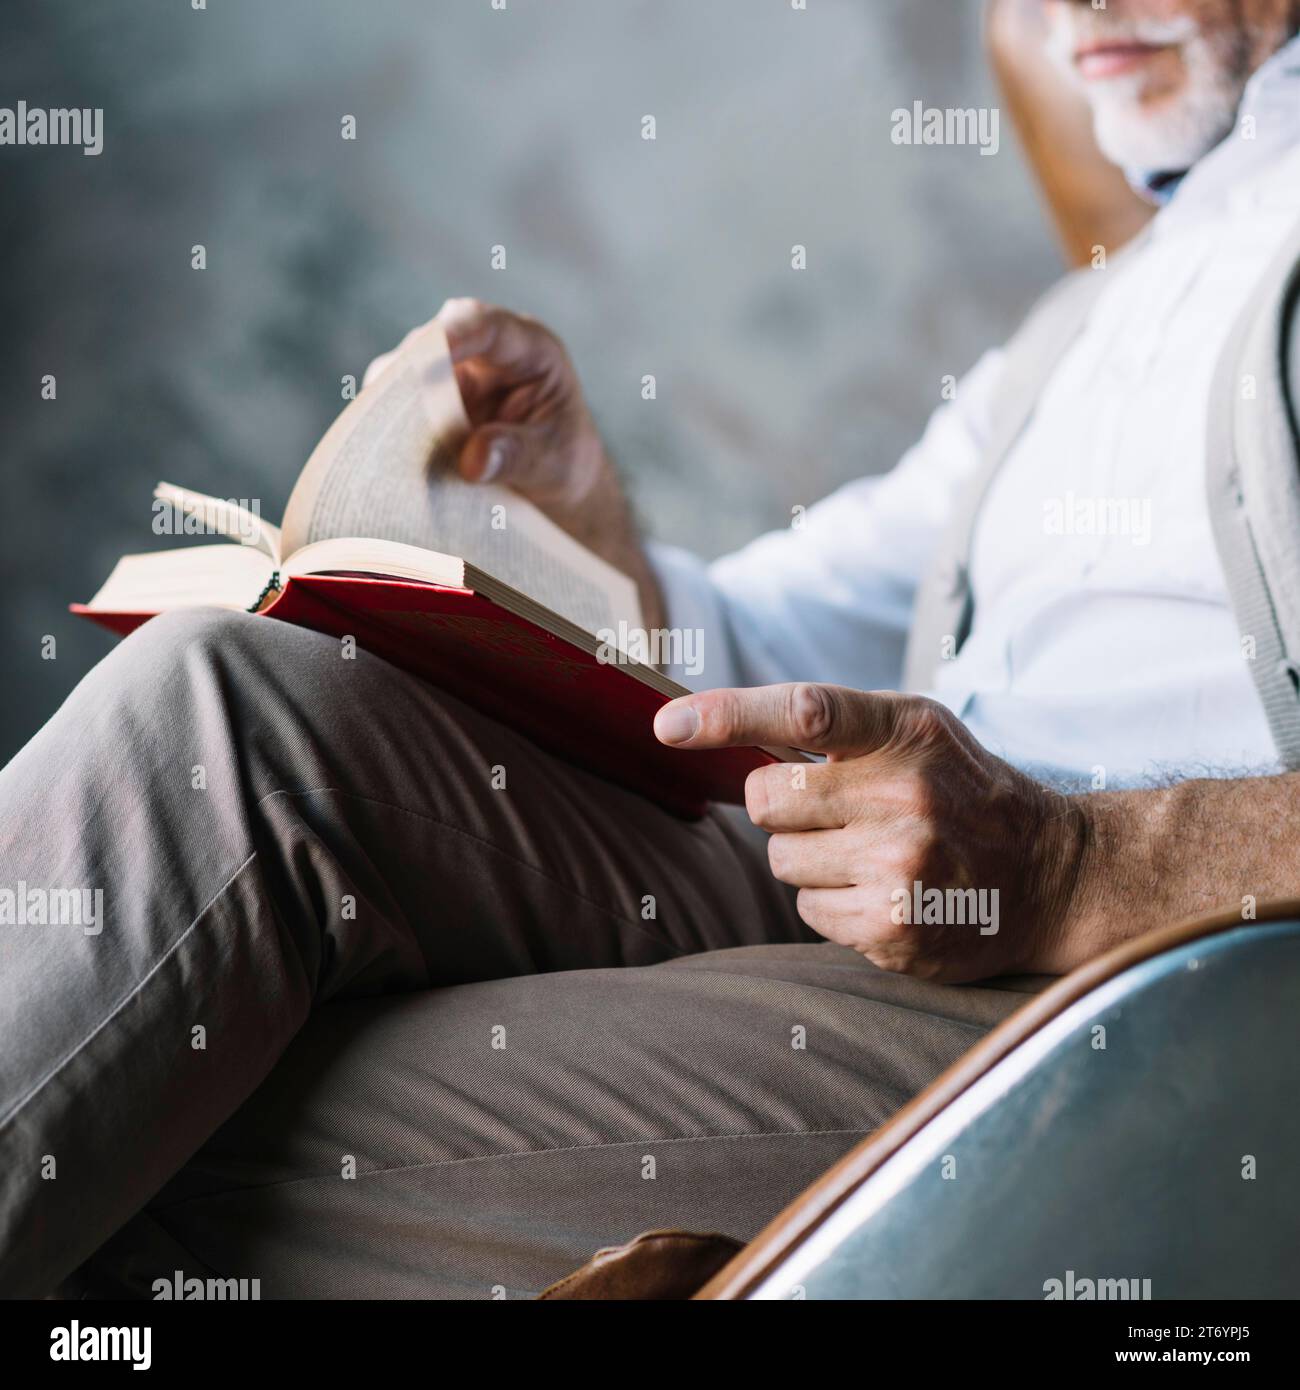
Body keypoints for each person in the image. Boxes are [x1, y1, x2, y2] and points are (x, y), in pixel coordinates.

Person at [3, 0, 1300, 1298]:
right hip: (879, 903)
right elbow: (764, 648)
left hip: (1160, 1000)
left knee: (184, 1124)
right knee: (226, 712)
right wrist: (579, 531)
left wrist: (1079, 864)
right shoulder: (1084, 328)